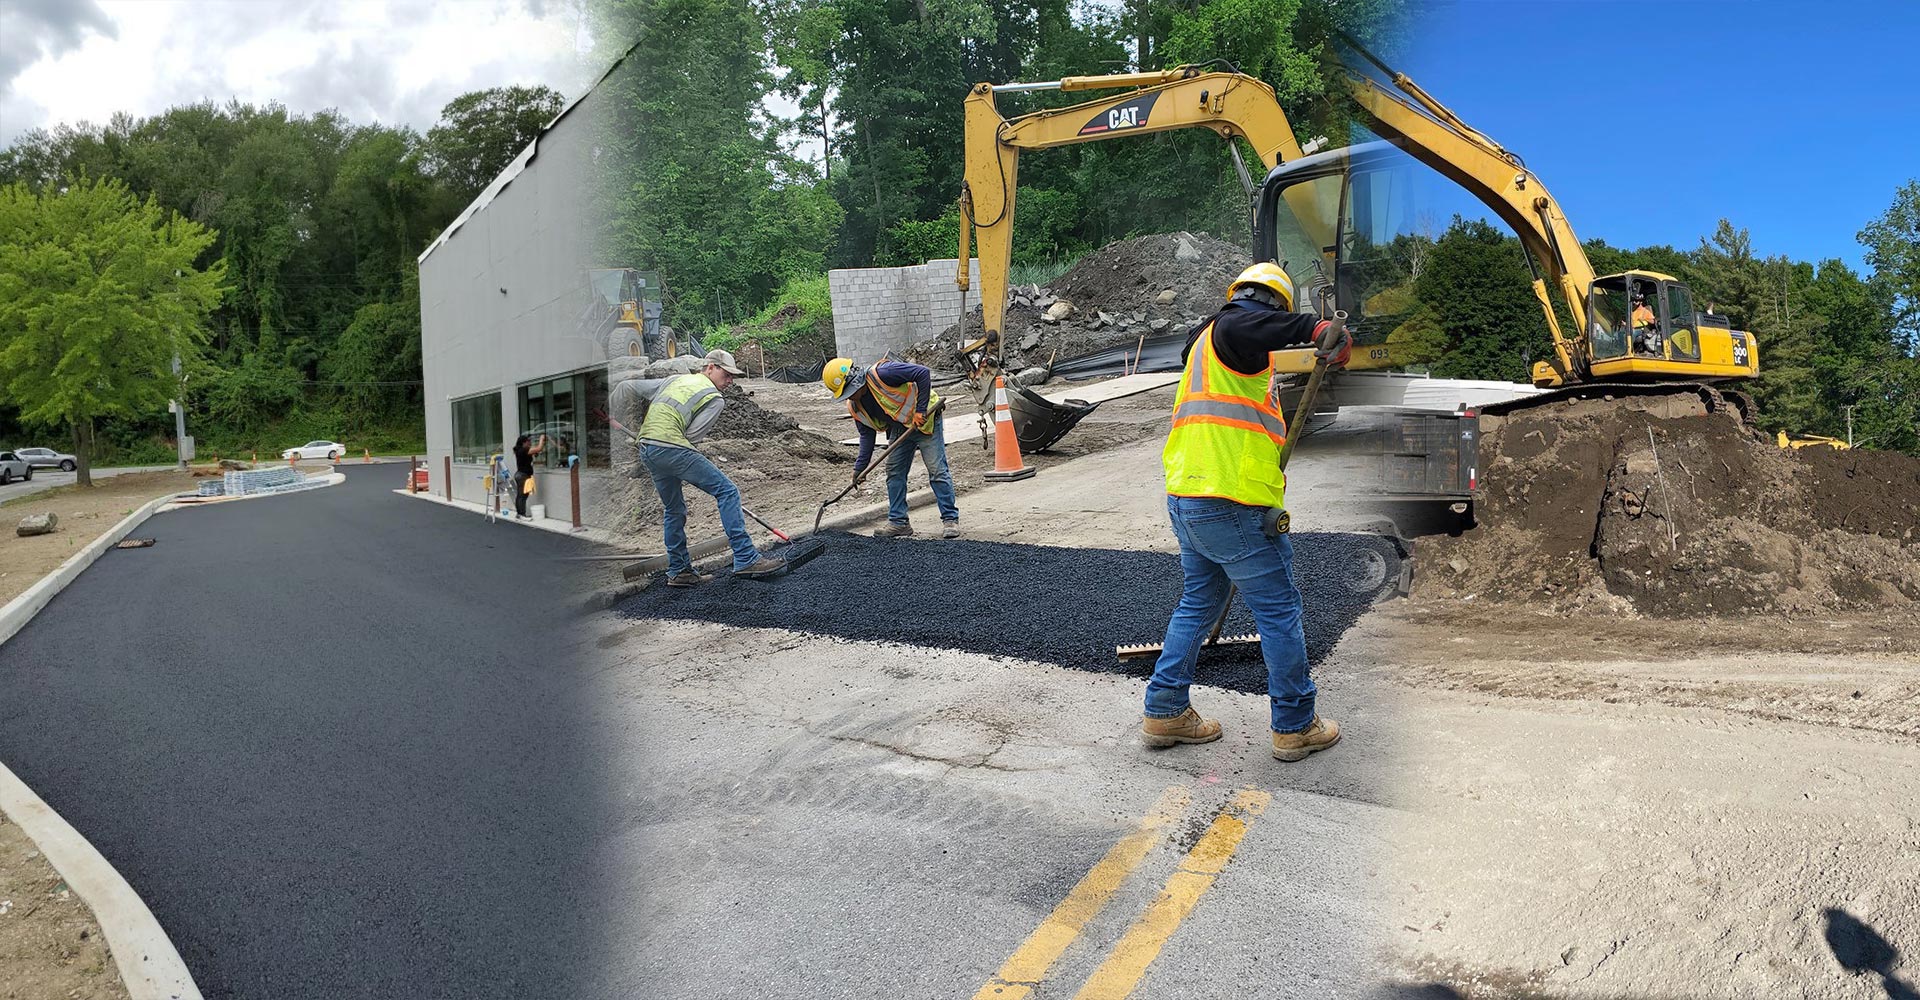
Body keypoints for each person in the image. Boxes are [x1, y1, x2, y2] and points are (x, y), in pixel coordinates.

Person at [1142, 261, 1350, 762]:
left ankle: (1165, 709)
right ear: (1273, 304)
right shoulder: (1236, 325)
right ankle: (1296, 724)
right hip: (1233, 502)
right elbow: (1259, 323)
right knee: (1279, 611)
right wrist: (1318, 327)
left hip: (1188, 496)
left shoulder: (1202, 343)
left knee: (1197, 604)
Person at [609, 349, 786, 585]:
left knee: (674, 509)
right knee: (727, 491)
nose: (730, 380)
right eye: (727, 373)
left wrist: (608, 411)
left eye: (733, 376)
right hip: (671, 447)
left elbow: (626, 388)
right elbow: (691, 437)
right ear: (710, 367)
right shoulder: (714, 398)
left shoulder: (674, 380)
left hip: (648, 449)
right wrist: (681, 452)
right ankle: (745, 558)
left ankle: (679, 570)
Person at [821, 356, 960, 538]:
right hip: (899, 427)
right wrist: (860, 468)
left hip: (926, 420)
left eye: (849, 390)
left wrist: (920, 411)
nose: (850, 395)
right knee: (894, 473)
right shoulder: (856, 407)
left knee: (937, 470)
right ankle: (899, 522)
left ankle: (950, 519)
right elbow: (866, 435)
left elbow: (922, 373)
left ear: (856, 380)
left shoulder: (884, 373)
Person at [510, 433, 545, 519]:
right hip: (523, 476)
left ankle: (519, 514)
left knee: (520, 495)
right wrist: (541, 439)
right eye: (528, 441)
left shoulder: (520, 450)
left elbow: (532, 455)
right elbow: (539, 448)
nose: (530, 443)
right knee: (523, 495)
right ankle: (522, 514)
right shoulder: (523, 450)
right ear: (523, 443)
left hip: (520, 475)